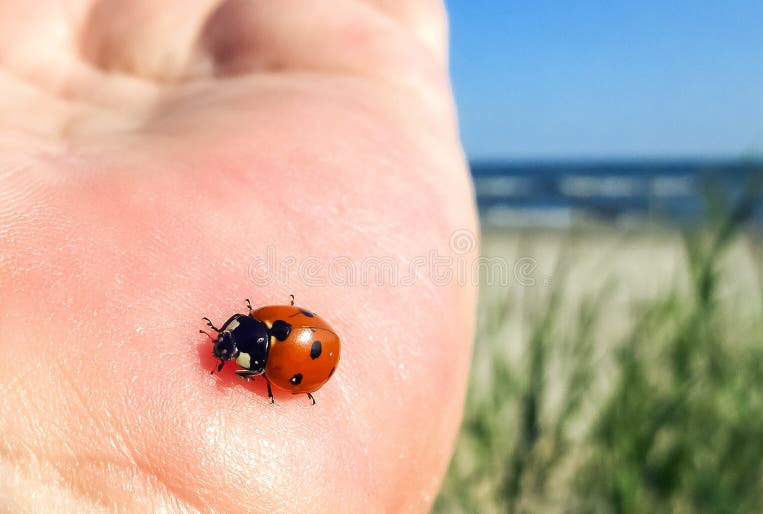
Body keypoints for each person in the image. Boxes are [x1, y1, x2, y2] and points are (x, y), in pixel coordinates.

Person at [0, 0, 477, 511]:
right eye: (230, 343)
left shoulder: (265, 350)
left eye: (228, 345)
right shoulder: (264, 339)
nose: (224, 345)